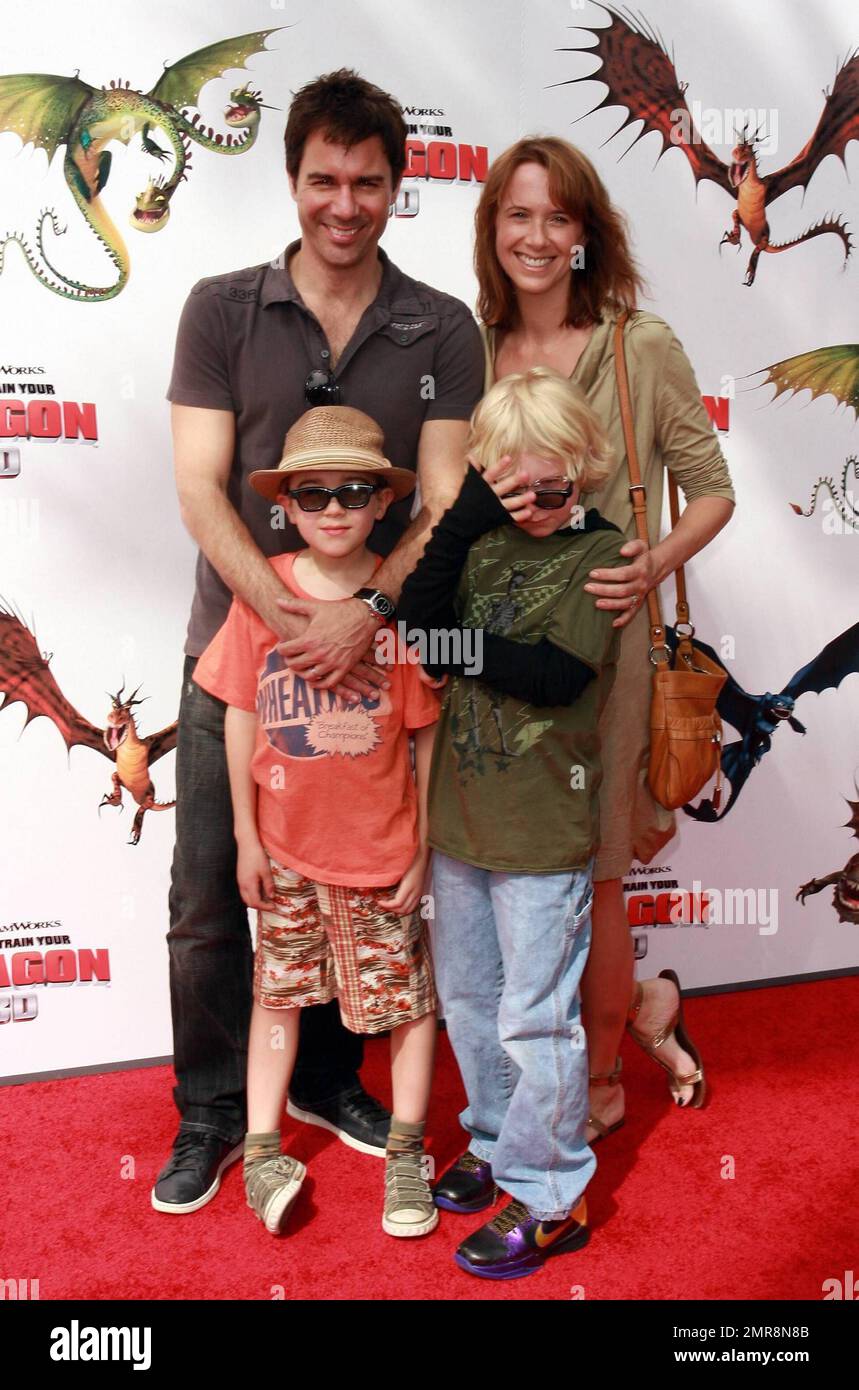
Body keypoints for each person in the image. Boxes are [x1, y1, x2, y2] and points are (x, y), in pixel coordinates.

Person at [154, 68, 483, 1214]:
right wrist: (291, 619)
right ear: (292, 178)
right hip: (238, 651)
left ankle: (336, 1086)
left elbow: (442, 500)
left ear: (399, 184)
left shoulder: (440, 323)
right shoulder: (220, 308)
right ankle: (212, 1119)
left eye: (368, 182)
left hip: (378, 654)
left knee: (358, 888)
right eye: (322, 179)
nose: (344, 203)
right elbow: (202, 491)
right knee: (211, 894)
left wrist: (370, 615)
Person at [472, 137, 736, 1143]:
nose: (536, 238)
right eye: (517, 217)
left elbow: (712, 492)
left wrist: (651, 561)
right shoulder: (473, 343)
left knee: (601, 872)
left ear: (584, 234)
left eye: (557, 218)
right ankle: (609, 1026)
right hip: (499, 653)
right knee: (510, 872)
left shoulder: (638, 346)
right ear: (492, 229)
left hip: (610, 647)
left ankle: (593, 1072)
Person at [399, 366, 626, 1279]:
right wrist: (462, 517)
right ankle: (494, 1139)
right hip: (460, 821)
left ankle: (549, 1196)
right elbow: (417, 625)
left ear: (587, 467)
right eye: (510, 484)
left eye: (551, 484)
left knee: (535, 1020)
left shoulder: (603, 554)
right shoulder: (479, 541)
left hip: (540, 829)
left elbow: (553, 676)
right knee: (469, 1003)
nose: (531, 503)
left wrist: (455, 648)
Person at [192, 406, 440, 1237]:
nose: (333, 507)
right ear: (287, 506)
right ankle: (263, 1152)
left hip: (381, 850)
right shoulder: (263, 592)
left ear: (380, 504)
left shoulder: (396, 608)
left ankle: (407, 1152)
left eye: (353, 491)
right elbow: (236, 714)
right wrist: (245, 835)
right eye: (313, 493)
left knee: (406, 1003)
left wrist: (426, 844)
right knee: (279, 995)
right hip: (287, 852)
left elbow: (425, 731)